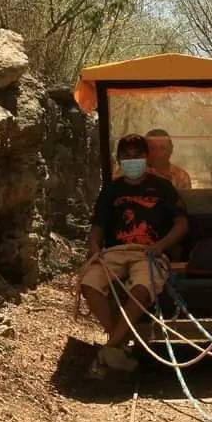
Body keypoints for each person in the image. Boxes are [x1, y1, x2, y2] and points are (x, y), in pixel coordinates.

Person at [80, 134, 189, 378]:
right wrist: (94, 248)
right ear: (119, 159)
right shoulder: (111, 189)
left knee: (141, 289)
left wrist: (160, 246)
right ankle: (117, 343)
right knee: (89, 284)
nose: (132, 160)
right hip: (114, 253)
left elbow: (181, 225)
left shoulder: (163, 187)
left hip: (148, 254)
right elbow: (97, 228)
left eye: (137, 155)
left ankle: (111, 347)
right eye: (126, 156)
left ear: (146, 157)